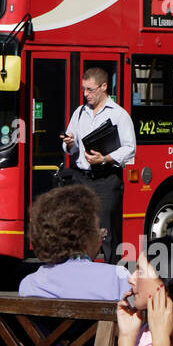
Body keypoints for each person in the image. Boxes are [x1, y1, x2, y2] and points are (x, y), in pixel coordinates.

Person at [60, 67, 136, 263]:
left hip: (106, 179)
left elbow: (130, 149)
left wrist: (104, 158)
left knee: (107, 233)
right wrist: (70, 143)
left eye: (90, 90)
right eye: (84, 90)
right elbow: (71, 146)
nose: (86, 95)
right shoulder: (79, 112)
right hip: (81, 178)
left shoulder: (119, 115)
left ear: (103, 87)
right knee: (79, 229)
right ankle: (80, 273)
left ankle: (113, 275)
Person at [19, 184, 131, 300]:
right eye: (98, 230)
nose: (101, 236)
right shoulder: (118, 278)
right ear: (85, 237)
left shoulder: (29, 285)